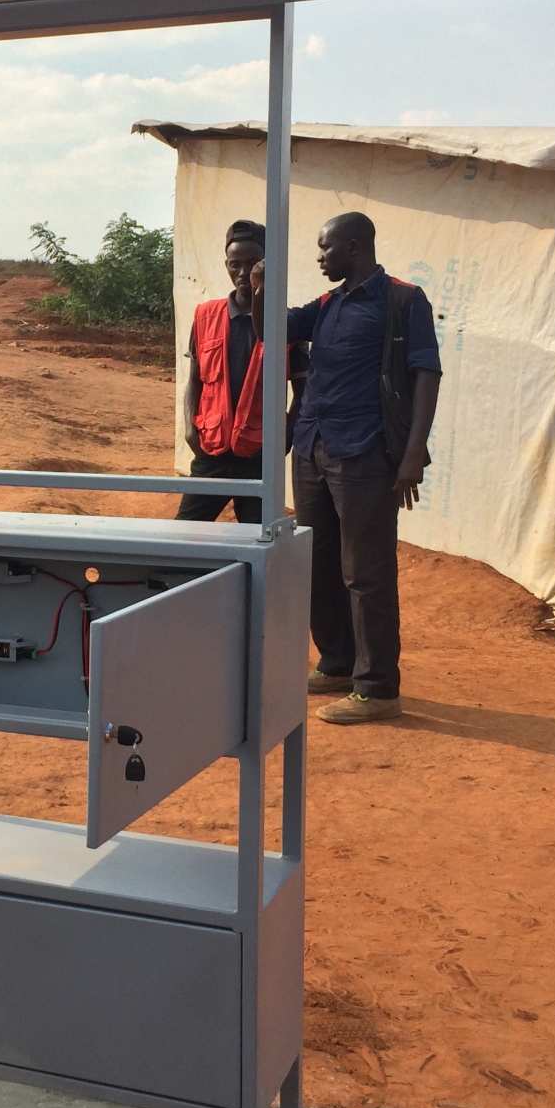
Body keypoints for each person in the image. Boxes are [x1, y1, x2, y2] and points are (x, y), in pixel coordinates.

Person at [252, 212, 441, 725]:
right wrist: (260, 286)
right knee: (318, 564)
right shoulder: (329, 304)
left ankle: (378, 687)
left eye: (325, 249)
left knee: (367, 572)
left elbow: (427, 376)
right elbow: (275, 329)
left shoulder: (402, 300)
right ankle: (337, 662)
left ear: (354, 248)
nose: (319, 259)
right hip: (313, 448)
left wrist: (412, 455)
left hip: (365, 455)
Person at [176, 222, 307, 524]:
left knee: (259, 541)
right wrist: (188, 427)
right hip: (212, 451)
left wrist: (284, 439)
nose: (242, 272)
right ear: (226, 265)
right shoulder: (205, 315)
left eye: (251, 263)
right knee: (185, 532)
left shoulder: (288, 323)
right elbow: (195, 379)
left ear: (266, 263)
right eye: (235, 264)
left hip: (259, 455)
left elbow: (304, 393)